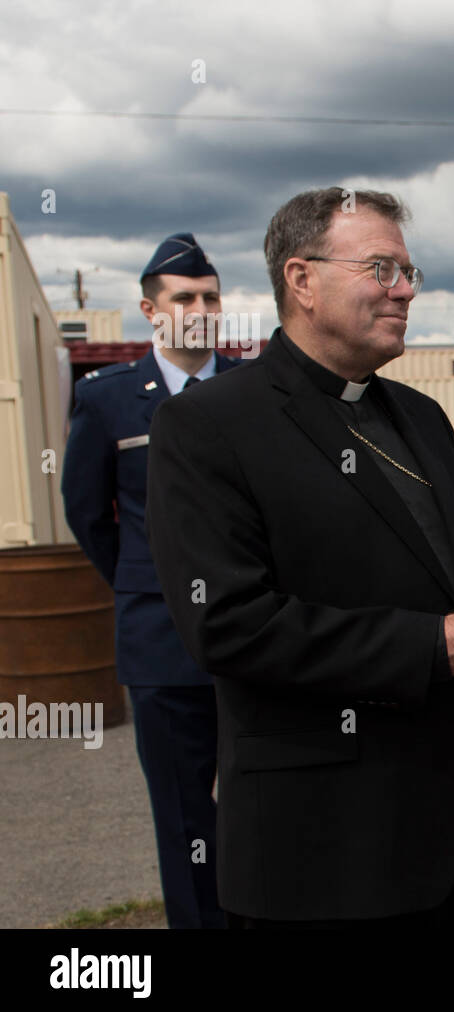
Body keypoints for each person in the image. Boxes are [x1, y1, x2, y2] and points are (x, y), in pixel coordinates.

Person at [145, 187, 454, 928]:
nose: (403, 290)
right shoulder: (208, 425)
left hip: (439, 838)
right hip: (315, 851)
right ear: (301, 279)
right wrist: (431, 645)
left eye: (409, 272)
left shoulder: (421, 416)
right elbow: (229, 624)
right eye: (380, 268)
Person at [62, 233, 240, 929]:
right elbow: (87, 514)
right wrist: (144, 584)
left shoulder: (251, 391)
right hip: (159, 643)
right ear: (150, 309)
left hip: (257, 631)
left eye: (211, 296)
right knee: (182, 807)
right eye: (184, 297)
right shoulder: (107, 400)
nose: (200, 308)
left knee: (268, 796)